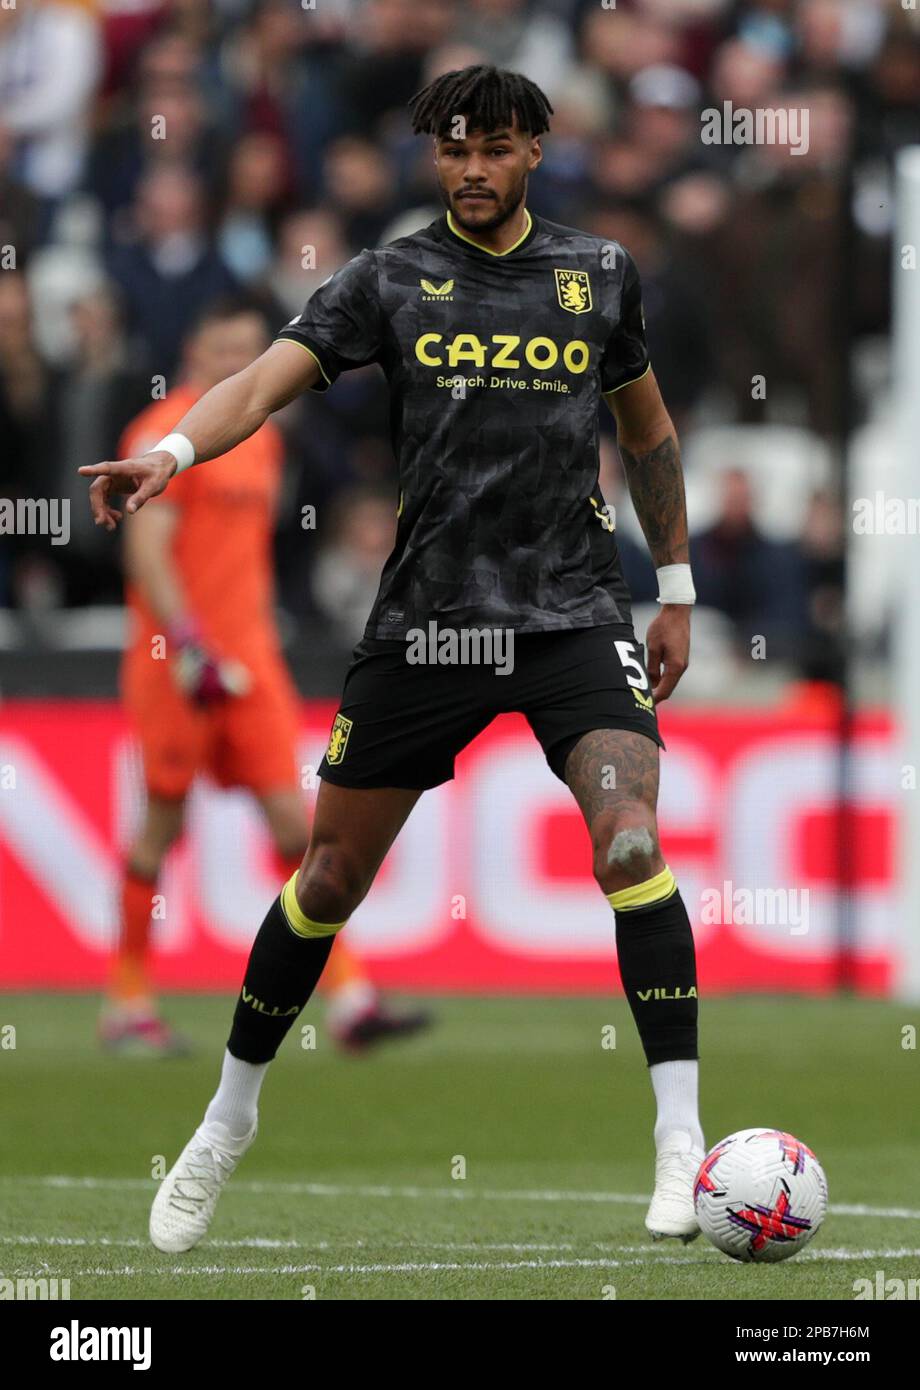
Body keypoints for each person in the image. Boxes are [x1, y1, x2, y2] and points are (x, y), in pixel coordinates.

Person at [82, 65, 703, 1254]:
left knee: (628, 838)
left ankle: (677, 1140)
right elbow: (264, 382)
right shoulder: (390, 277)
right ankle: (225, 1119)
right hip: (426, 622)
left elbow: (649, 430)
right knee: (323, 880)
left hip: (573, 609)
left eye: (494, 148)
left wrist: (672, 588)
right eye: (453, 150)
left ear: (533, 153)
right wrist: (169, 447)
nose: (470, 168)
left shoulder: (597, 275)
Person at [100, 295, 431, 1056]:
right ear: (194, 352)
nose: (236, 366)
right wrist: (186, 642)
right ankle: (126, 1001)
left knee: (299, 828)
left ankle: (349, 1001)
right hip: (177, 662)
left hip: (250, 662)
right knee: (161, 825)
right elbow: (148, 549)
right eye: (222, 351)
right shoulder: (164, 434)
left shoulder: (262, 440)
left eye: (248, 353)